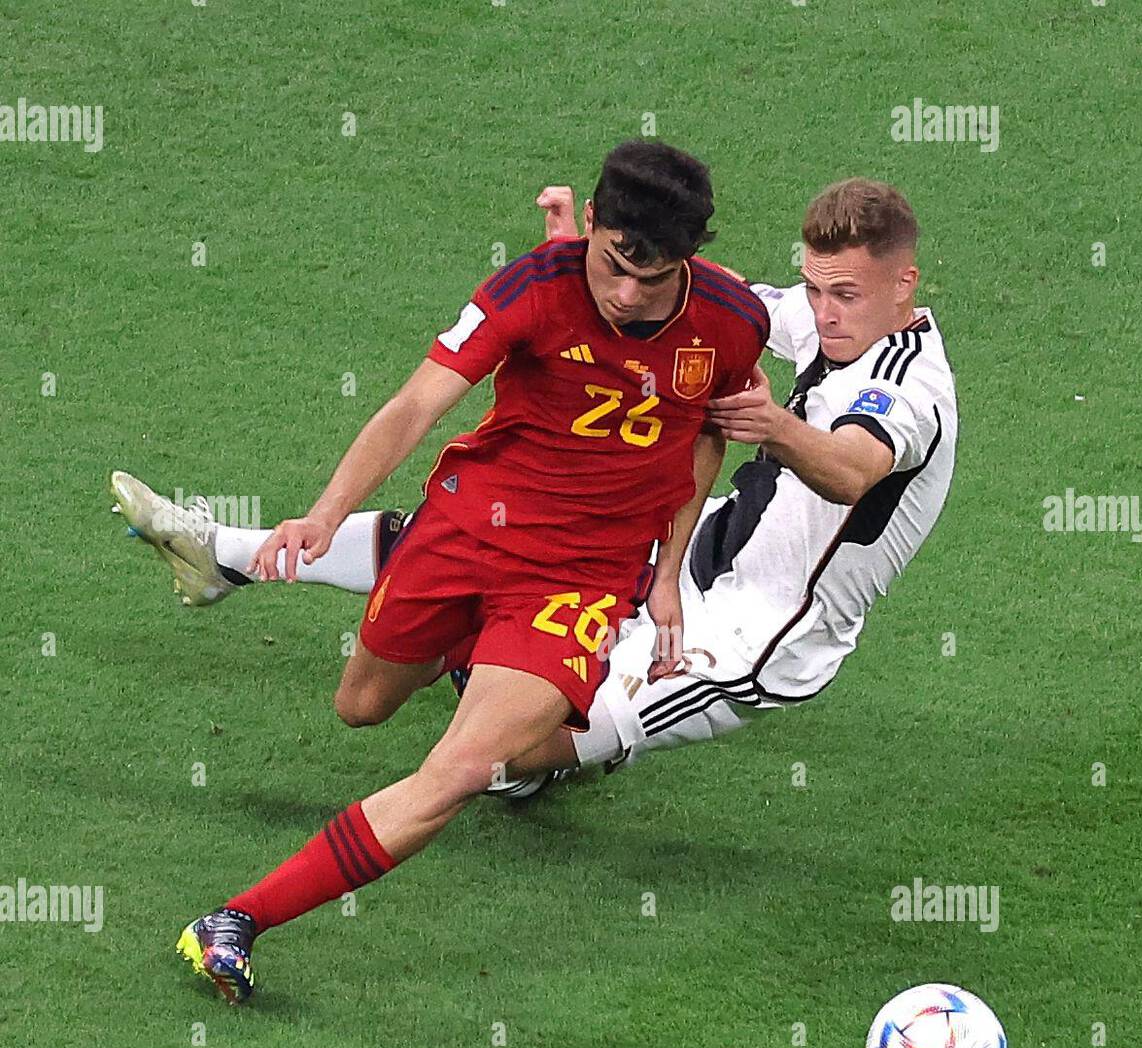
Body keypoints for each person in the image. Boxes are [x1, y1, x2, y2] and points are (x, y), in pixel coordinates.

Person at [128, 140, 768, 1003]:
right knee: (361, 706)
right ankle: (472, 651)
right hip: (469, 528)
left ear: (687, 258)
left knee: (462, 770)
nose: (624, 294)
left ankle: (237, 919)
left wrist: (663, 574)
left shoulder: (733, 321)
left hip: (580, 581)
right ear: (591, 223)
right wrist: (322, 512)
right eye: (611, 265)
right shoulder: (530, 289)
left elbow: (704, 433)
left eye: (651, 280)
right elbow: (415, 406)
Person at [116, 176, 955, 805]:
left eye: (843, 294)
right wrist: (579, 268)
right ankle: (221, 556)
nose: (823, 309)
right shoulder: (828, 316)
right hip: (712, 544)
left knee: (488, 759)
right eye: (814, 286)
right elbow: (707, 293)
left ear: (904, 285)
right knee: (485, 529)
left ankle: (516, 772)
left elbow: (850, 469)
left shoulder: (909, 389)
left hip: (758, 633)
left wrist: (771, 424)